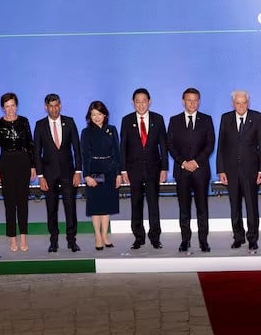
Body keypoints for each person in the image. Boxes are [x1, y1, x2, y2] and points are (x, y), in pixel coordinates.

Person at [167, 87, 215, 253]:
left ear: (199, 101)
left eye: (195, 100)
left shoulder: (207, 120)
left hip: (200, 171)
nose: (192, 103)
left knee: (202, 208)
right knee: (184, 209)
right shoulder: (174, 121)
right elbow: (170, 146)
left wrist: (196, 161)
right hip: (182, 171)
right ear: (183, 101)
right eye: (189, 100)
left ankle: (203, 241)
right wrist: (183, 162)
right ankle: (185, 241)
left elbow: (210, 145)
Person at [216, 90, 261, 252]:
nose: (241, 106)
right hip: (230, 170)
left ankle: (252, 239)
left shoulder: (257, 118)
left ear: (248, 103)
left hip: (251, 169)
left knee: (252, 206)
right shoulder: (225, 118)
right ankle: (238, 237)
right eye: (238, 103)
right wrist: (221, 169)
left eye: (244, 103)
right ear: (233, 104)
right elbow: (220, 146)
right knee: (234, 206)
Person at [120, 88, 168, 250]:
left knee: (153, 203)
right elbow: (123, 147)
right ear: (133, 103)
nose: (141, 105)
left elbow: (163, 145)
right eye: (137, 101)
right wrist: (123, 170)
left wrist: (164, 168)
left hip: (154, 168)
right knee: (136, 203)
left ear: (150, 101)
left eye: (144, 101)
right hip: (134, 170)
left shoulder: (158, 119)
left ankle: (155, 237)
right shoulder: (126, 120)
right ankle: (138, 237)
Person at [33, 93, 82, 253]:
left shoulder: (69, 122)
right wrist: (40, 176)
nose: (54, 109)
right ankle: (53, 240)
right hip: (48, 174)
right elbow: (36, 153)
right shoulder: (40, 125)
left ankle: (71, 240)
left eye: (56, 105)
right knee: (51, 208)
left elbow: (77, 148)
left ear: (60, 105)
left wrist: (78, 171)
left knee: (70, 208)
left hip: (68, 173)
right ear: (46, 107)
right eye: (51, 106)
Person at [0, 93, 36, 252]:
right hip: (6, 162)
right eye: (7, 106)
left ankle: (23, 236)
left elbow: (30, 144)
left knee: (22, 201)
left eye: (12, 105)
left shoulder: (24, 121)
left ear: (16, 105)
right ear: (3, 107)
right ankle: (12, 238)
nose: (10, 109)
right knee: (9, 203)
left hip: (23, 160)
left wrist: (33, 166)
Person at [81, 101, 121, 250]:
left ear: (105, 115)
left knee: (106, 206)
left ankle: (105, 235)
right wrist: (87, 175)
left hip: (110, 171)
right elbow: (84, 155)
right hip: (94, 172)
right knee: (95, 206)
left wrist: (118, 174)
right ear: (89, 116)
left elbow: (117, 153)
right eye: (93, 114)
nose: (97, 117)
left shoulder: (112, 130)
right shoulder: (86, 132)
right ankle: (97, 235)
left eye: (99, 114)